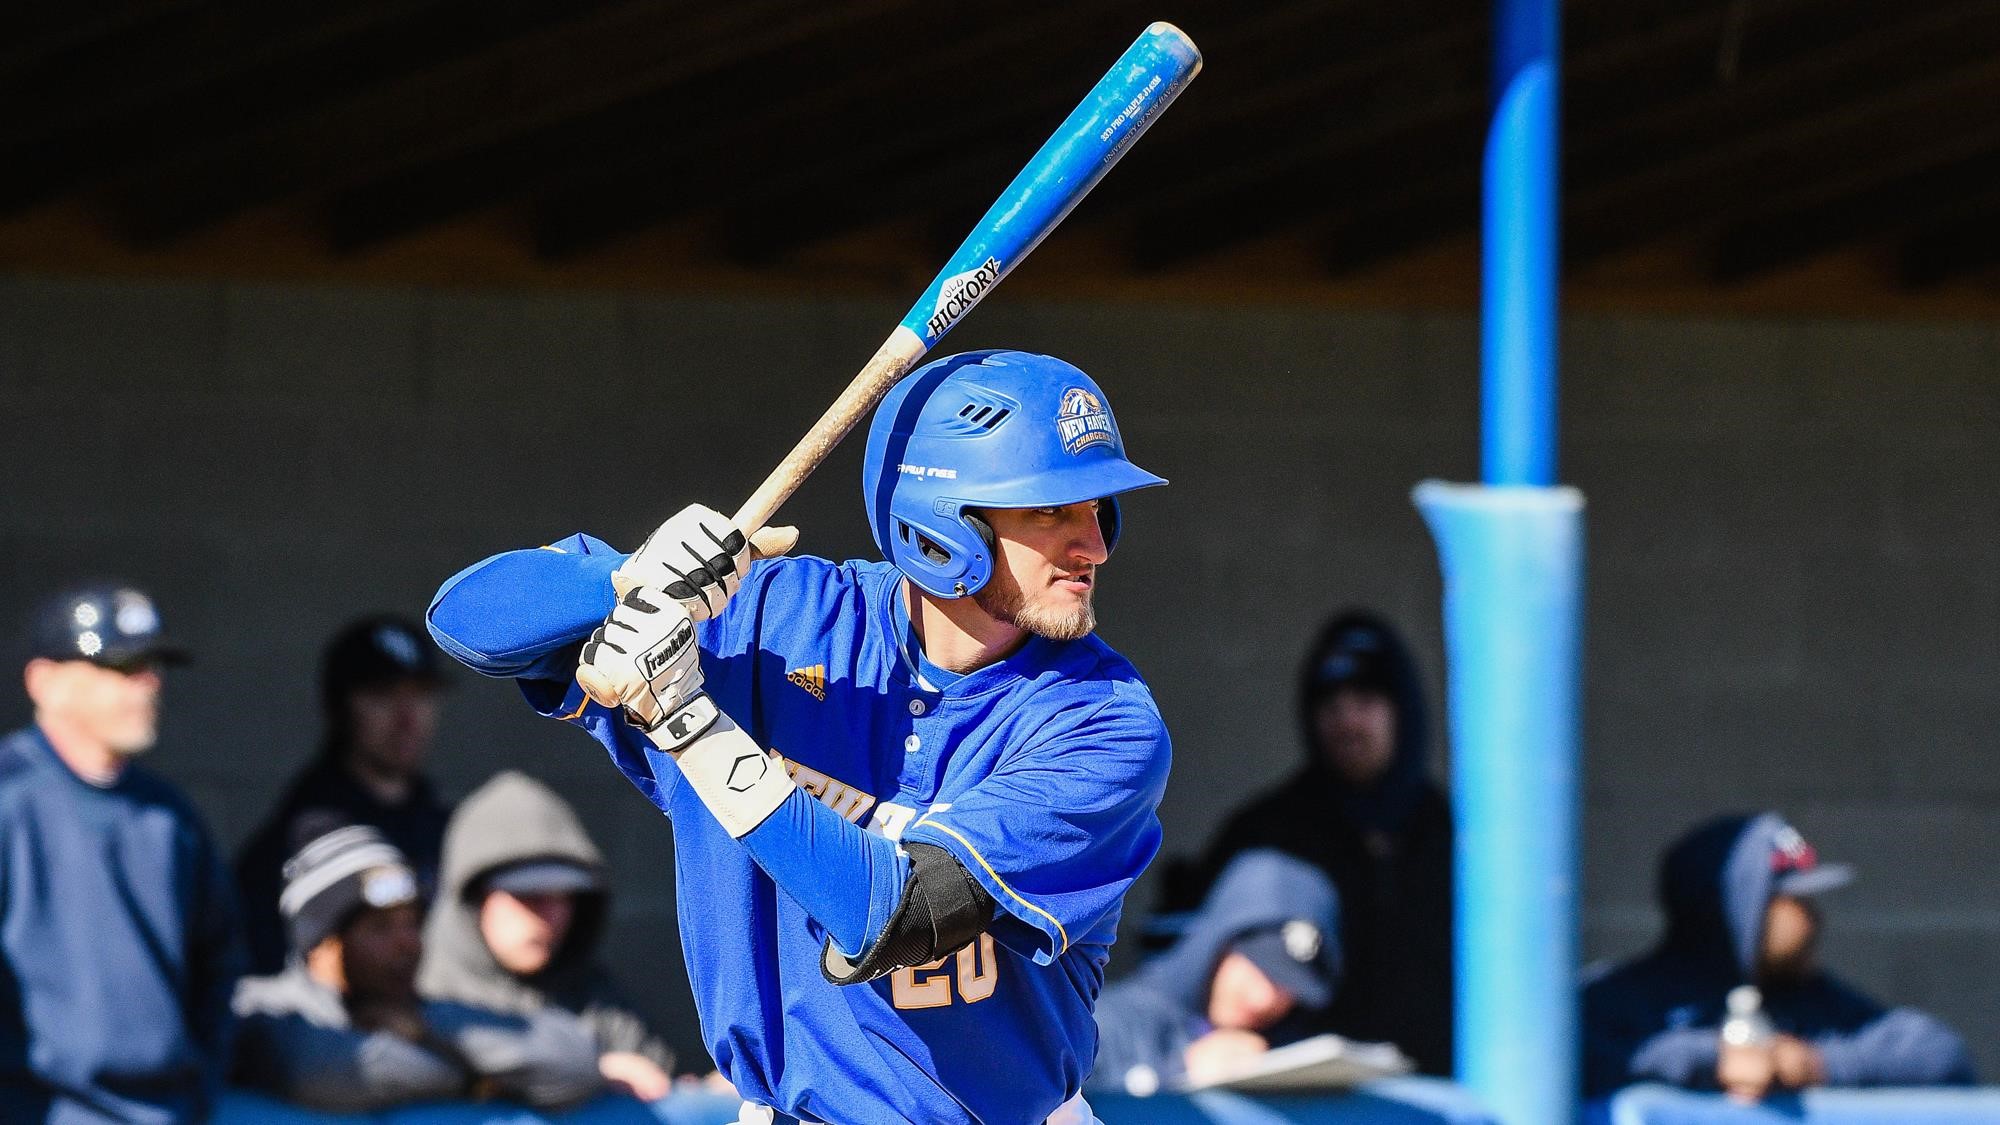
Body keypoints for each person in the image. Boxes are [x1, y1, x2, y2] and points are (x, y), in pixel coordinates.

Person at [427, 349, 1172, 1124]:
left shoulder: (1106, 720)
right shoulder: (775, 620)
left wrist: (690, 724)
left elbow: (900, 912)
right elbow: (466, 619)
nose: (1095, 544)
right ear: (945, 529)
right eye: (1053, 512)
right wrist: (623, 580)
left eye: (1096, 507)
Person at [0, 583, 243, 1123]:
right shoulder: (10, 800)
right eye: (121, 667)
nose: (147, 685)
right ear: (45, 682)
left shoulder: (170, 814)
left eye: (152, 666)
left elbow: (220, 959)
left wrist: (200, 1085)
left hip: (168, 1110)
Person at [1190, 610, 1453, 1074]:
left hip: (1440, 1091)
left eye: (1367, 699)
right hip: (1305, 1100)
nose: (1346, 720)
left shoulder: (1458, 834)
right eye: (1329, 703)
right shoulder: (1267, 832)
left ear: (1402, 710)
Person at [1581, 811, 1976, 1101]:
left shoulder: (1813, 1000)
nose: (1814, 918)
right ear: (1739, 910)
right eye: (1796, 900)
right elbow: (1570, 1057)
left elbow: (1940, 1053)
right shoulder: (1620, 998)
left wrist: (1813, 1063)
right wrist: (1713, 1060)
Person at [232, 824, 606, 1112]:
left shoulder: (424, 1016)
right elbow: (320, 1068)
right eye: (381, 927)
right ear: (322, 945)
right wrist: (472, 1081)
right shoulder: (258, 1007)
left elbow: (576, 1062)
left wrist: (425, 1028)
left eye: (412, 923)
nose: (409, 943)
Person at [419, 770, 677, 1100]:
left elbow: (658, 1085)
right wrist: (596, 1069)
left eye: (566, 897)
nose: (551, 916)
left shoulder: (596, 999)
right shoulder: (417, 990)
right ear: (475, 899)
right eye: (529, 896)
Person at [236, 614, 455, 973]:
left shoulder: (451, 829)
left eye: (421, 694)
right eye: (383, 695)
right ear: (339, 707)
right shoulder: (296, 840)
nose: (407, 717)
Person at [1089, 850, 1341, 1096]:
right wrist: (1178, 1073)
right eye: (1257, 968)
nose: (1263, 999)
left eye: (1286, 986)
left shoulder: (1291, 1056)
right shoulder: (1101, 1028)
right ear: (1217, 944)